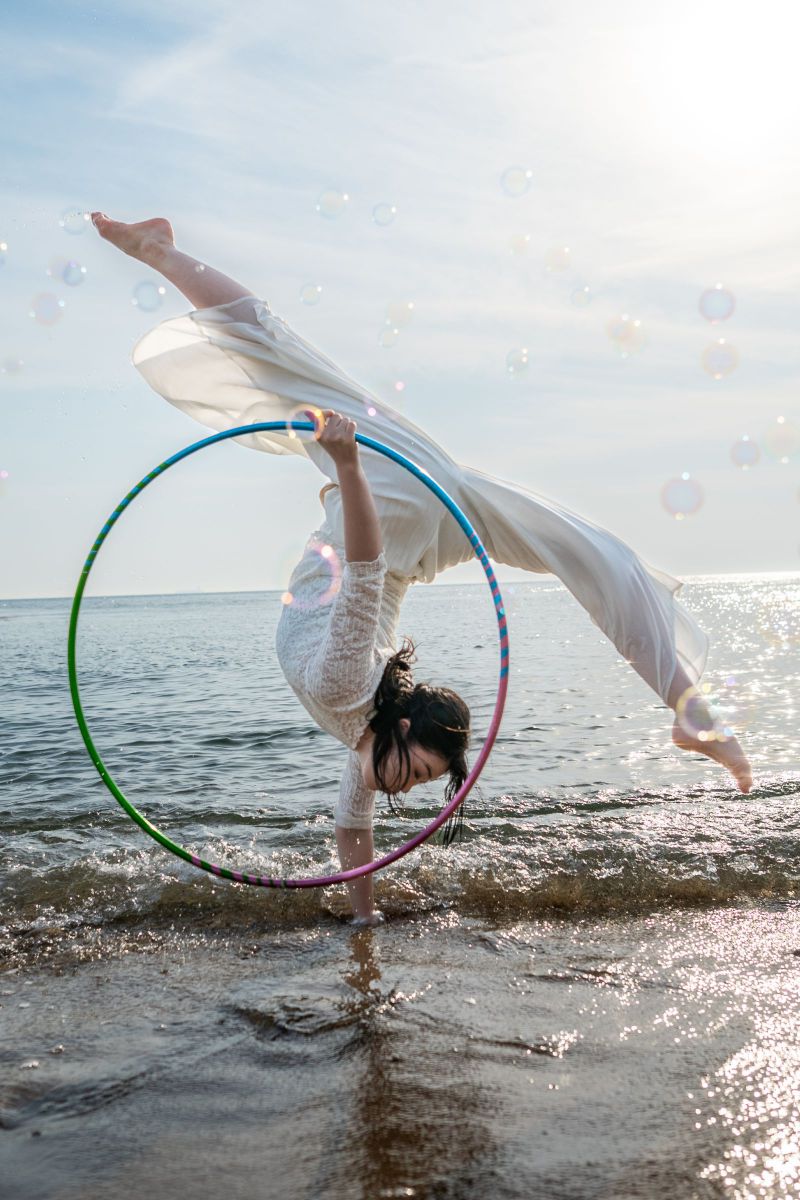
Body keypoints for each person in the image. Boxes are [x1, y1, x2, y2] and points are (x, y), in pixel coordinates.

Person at [90, 211, 754, 925]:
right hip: (393, 510)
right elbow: (365, 565)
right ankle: (157, 251)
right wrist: (347, 466)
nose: (407, 791)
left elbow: (353, 832)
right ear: (402, 729)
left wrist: (365, 919)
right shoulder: (350, 689)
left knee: (590, 551)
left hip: (419, 525)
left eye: (423, 780)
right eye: (423, 774)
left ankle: (695, 712)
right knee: (282, 354)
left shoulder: (363, 733)